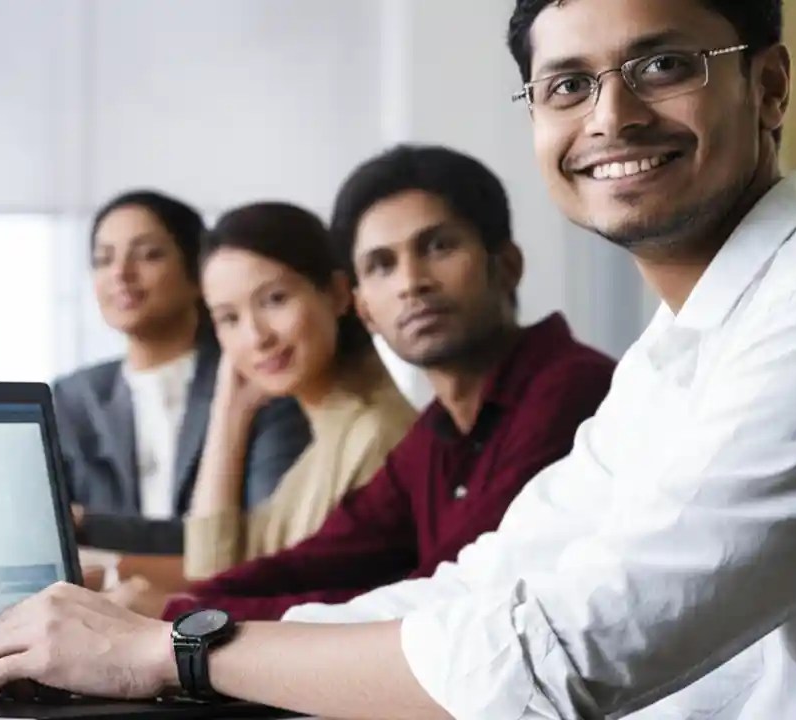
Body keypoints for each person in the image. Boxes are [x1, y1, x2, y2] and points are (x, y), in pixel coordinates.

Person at [0, 0, 796, 717]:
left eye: (663, 65)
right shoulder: (678, 346)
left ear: (769, 86)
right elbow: (482, 584)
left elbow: (557, 656)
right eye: (566, 86)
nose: (611, 117)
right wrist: (165, 630)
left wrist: (172, 651)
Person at [106, 146, 614, 621]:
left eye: (438, 247)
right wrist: (185, 605)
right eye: (381, 265)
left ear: (506, 266)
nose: (411, 283)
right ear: (365, 305)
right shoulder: (436, 433)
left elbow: (441, 602)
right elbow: (317, 561)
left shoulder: (569, 391)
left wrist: (183, 614)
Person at [52, 191, 309, 572]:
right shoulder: (72, 398)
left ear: (198, 275)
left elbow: (258, 539)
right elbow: (50, 533)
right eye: (103, 259)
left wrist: (93, 526)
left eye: (148, 255)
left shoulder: (256, 377)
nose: (120, 273)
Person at [180, 202, 417, 580]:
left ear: (338, 293)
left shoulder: (374, 437)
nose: (256, 337)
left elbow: (219, 591)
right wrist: (229, 417)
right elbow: (214, 579)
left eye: (275, 299)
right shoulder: (324, 446)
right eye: (229, 318)